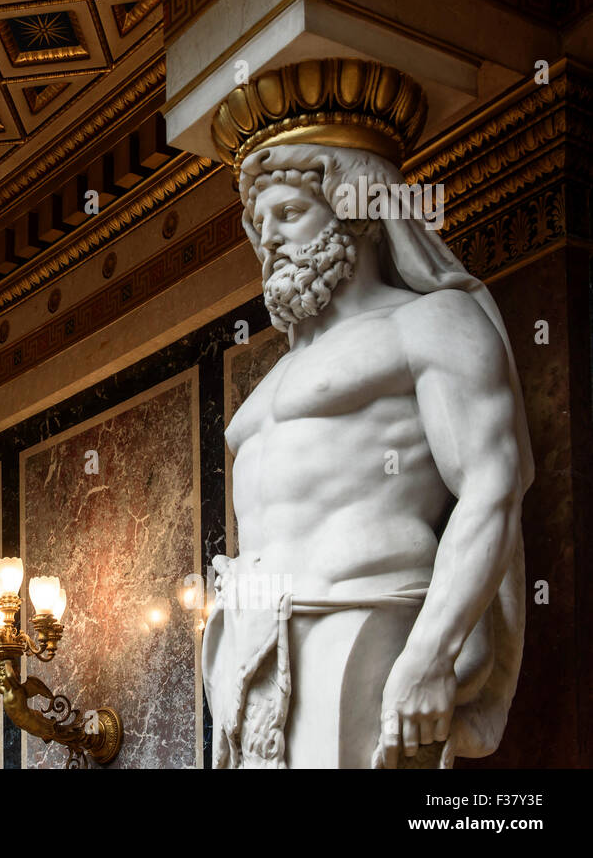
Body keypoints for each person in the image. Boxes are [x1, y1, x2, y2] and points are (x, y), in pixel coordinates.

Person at [204, 140, 533, 768]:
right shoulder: (270, 385)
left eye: (290, 213)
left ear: (359, 216)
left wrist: (431, 652)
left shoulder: (432, 323)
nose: (268, 237)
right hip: (252, 650)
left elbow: (492, 487)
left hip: (365, 621)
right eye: (260, 223)